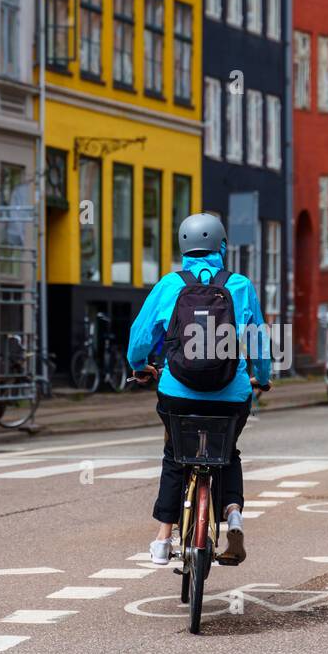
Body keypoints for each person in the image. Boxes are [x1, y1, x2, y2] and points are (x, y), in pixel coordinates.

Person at [127, 213, 272, 568]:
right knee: (227, 453)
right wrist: (262, 377)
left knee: (176, 455)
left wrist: (139, 366)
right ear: (222, 246)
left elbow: (139, 339)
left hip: (178, 391)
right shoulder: (239, 285)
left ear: (184, 248)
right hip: (230, 394)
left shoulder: (168, 285)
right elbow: (260, 343)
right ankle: (233, 514)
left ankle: (163, 540)